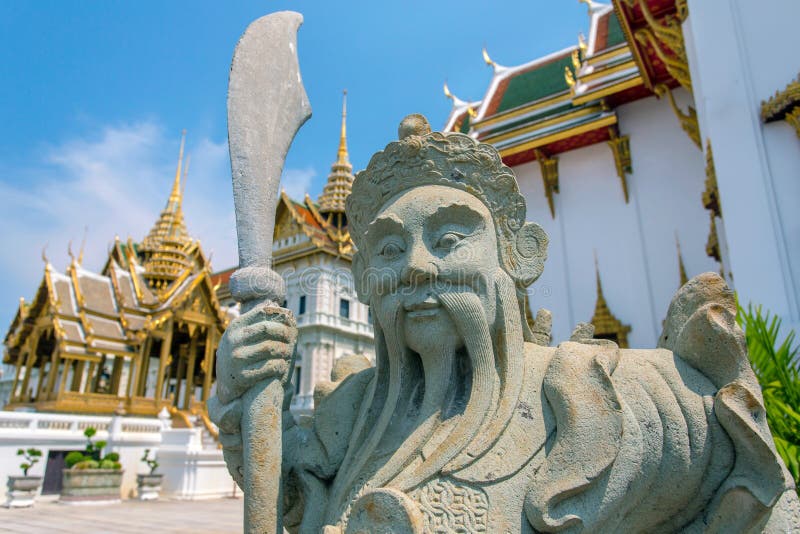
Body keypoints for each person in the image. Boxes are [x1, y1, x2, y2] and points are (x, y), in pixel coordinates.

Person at [209, 115, 798, 533]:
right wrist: (242, 396)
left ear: (519, 255)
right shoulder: (353, 410)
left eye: (449, 238)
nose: (416, 266)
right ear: (363, 280)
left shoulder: (609, 396)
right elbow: (286, 493)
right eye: (389, 249)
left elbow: (758, 497)